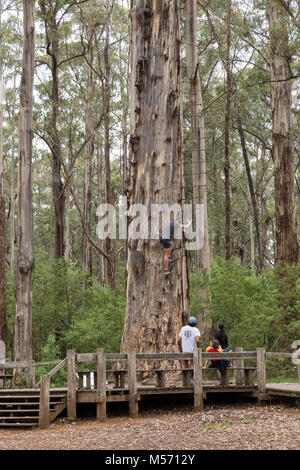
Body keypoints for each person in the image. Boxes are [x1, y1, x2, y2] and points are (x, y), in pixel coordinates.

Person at [178, 316, 201, 385]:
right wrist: (198, 348)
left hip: (185, 350)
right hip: (192, 350)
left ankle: (185, 380)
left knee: (185, 365)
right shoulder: (196, 330)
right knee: (192, 365)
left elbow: (179, 340)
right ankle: (191, 380)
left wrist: (180, 349)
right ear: (195, 323)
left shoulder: (183, 328)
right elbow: (197, 340)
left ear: (189, 322)